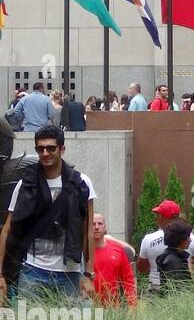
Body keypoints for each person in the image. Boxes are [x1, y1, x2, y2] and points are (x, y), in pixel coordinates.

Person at [0, 126, 98, 300]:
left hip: (70, 272)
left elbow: (87, 230)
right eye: (40, 149)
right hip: (32, 270)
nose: (45, 153)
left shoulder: (81, 183)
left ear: (62, 149)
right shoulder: (25, 185)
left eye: (51, 148)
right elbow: (7, 230)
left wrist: (88, 274)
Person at [137, 199, 194, 290]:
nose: (157, 218)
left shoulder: (148, 239)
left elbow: (142, 268)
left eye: (158, 215)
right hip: (182, 286)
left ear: (162, 218)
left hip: (155, 286)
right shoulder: (190, 237)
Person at [91, 212, 136, 306]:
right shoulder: (81, 251)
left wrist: (132, 305)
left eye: (100, 223)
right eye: (93, 224)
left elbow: (128, 280)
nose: (96, 227)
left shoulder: (118, 249)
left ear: (105, 227)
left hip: (113, 307)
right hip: (88, 306)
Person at [154, 219, 194, 292]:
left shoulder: (169, 256)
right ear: (180, 239)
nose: (190, 240)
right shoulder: (173, 262)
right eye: (188, 237)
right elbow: (181, 290)